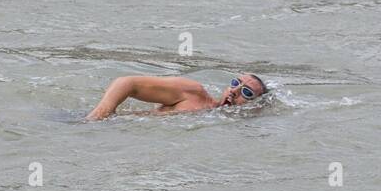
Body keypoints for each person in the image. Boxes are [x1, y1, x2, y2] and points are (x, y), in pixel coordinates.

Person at [86, 73, 269, 120]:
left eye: (246, 92)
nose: (234, 91)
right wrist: (98, 116)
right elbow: (127, 83)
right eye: (235, 83)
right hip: (95, 125)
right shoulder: (194, 94)